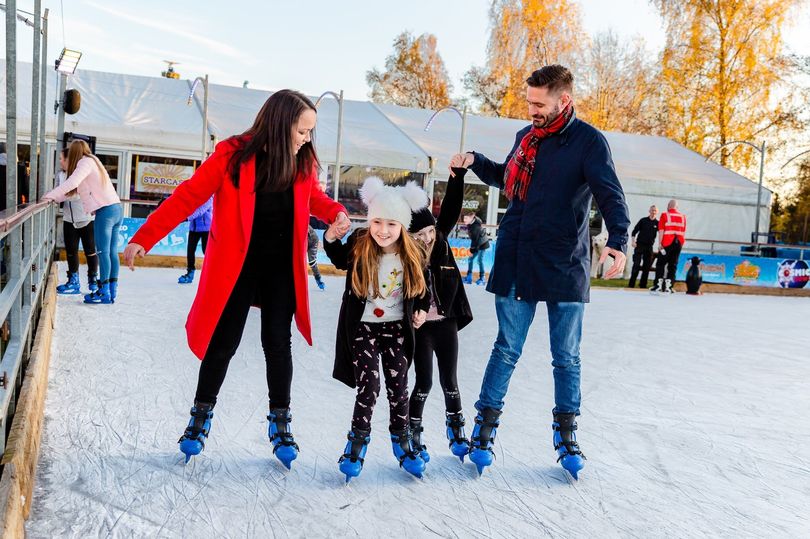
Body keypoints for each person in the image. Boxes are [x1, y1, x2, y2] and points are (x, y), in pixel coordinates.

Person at [122, 90, 351, 467]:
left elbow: (314, 199)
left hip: (281, 269)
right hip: (236, 268)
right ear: (280, 125)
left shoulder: (302, 163)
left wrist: (336, 212)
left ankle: (281, 422)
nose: (307, 138)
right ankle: (200, 417)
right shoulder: (232, 155)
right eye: (302, 131)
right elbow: (187, 197)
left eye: (311, 132)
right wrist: (144, 237)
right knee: (223, 341)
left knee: (278, 342)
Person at [448, 64, 630, 478]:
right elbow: (507, 180)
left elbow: (610, 195)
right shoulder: (525, 138)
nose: (531, 109)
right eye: (528, 101)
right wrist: (476, 160)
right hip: (517, 255)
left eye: (538, 103)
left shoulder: (588, 143)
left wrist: (619, 239)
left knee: (566, 357)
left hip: (565, 261)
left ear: (563, 100)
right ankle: (484, 430)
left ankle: (567, 436)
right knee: (506, 347)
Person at [323, 177, 430, 482]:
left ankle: (402, 441)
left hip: (396, 329)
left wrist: (422, 309)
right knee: (368, 387)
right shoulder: (359, 245)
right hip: (363, 329)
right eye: (377, 222)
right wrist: (330, 238)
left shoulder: (413, 253)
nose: (383, 230)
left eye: (391, 224)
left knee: (399, 389)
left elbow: (424, 290)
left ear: (402, 226)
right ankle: (357, 442)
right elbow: (338, 259)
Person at [407, 167, 474, 464]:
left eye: (429, 231)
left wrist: (457, 178)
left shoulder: (443, 244)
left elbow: (450, 209)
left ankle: (457, 431)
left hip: (446, 325)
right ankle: (413, 431)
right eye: (419, 234)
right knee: (424, 383)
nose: (426, 238)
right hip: (421, 330)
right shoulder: (406, 256)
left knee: (451, 381)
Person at [43, 140, 122, 305]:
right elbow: (72, 190)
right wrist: (53, 196)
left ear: (74, 153)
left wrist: (49, 195)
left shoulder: (84, 163)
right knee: (112, 252)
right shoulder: (93, 161)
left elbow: (71, 183)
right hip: (116, 208)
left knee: (103, 253)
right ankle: (112, 290)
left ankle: (104, 292)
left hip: (105, 211)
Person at [54, 147, 99, 295]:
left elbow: (75, 195)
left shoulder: (82, 174)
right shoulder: (61, 175)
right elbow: (58, 191)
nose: (60, 161)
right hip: (68, 218)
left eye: (62, 158)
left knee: (90, 251)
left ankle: (93, 279)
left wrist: (59, 195)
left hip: (86, 218)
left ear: (69, 159)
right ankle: (73, 281)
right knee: (71, 251)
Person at [651, 199, 686, 294]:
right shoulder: (683, 217)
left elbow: (661, 230)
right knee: (673, 265)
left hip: (667, 243)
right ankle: (669, 287)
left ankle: (658, 285)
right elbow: (683, 231)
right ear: (677, 207)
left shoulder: (664, 215)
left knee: (660, 264)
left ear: (668, 206)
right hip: (678, 243)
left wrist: (660, 244)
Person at [178, 197, 213, 284]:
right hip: (194, 228)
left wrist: (186, 218)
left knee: (206, 251)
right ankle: (190, 273)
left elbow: (200, 211)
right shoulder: (195, 196)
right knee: (190, 251)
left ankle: (212, 273)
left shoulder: (209, 198)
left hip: (206, 229)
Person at [628, 205, 659, 288]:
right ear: (649, 211)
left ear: (657, 212)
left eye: (655, 211)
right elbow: (634, 232)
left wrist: (661, 245)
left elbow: (662, 234)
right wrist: (633, 242)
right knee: (636, 265)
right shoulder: (643, 220)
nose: (653, 212)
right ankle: (631, 285)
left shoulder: (657, 223)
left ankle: (643, 285)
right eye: (652, 210)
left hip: (649, 247)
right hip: (639, 246)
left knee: (646, 267)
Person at [462, 211, 489, 285]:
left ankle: (482, 278)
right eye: (464, 218)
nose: (464, 220)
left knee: (479, 261)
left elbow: (475, 241)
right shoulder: (471, 223)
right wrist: (472, 250)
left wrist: (471, 250)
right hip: (477, 243)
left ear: (471, 218)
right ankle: (469, 276)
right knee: (470, 259)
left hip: (482, 244)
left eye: (466, 218)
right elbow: (474, 240)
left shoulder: (475, 227)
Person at [307, 225, 325, 290]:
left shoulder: (302, 223)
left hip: (313, 242)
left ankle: (318, 279)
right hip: (304, 241)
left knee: (312, 262)